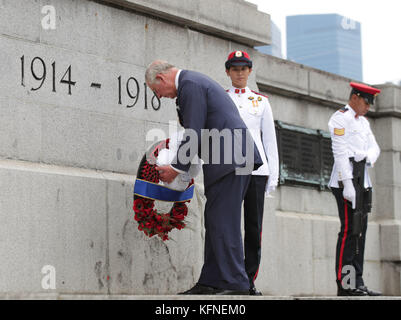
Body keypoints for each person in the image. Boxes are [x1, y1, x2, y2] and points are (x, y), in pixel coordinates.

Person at [145, 60, 263, 295]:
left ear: (161, 79)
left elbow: (194, 131)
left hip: (231, 158)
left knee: (224, 222)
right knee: (216, 220)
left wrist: (176, 169)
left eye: (157, 91)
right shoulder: (191, 83)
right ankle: (211, 280)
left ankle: (236, 284)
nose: (161, 96)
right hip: (227, 158)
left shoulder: (190, 84)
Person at [225, 51, 279, 295]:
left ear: (249, 71)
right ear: (228, 71)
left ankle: (248, 280)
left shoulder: (261, 101)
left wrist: (273, 176)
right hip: (232, 169)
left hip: (258, 172)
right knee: (230, 226)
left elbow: (270, 141)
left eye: (243, 68)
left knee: (253, 228)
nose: (239, 72)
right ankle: (231, 276)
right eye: (235, 68)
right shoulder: (222, 98)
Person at [328, 82, 382, 296]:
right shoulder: (340, 118)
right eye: (366, 102)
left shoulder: (363, 123)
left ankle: (358, 282)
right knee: (350, 232)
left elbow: (374, 147)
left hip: (363, 180)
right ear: (355, 98)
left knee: (360, 233)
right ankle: (346, 284)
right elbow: (340, 153)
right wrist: (348, 185)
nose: (368, 107)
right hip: (346, 182)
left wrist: (368, 157)